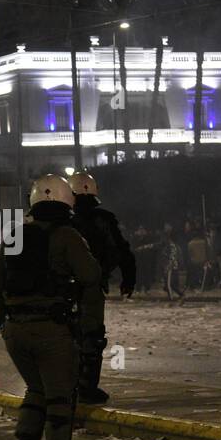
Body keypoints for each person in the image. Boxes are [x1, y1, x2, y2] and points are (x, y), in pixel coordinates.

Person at [0, 173, 101, 440]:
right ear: (66, 200)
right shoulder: (67, 235)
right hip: (51, 329)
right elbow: (91, 274)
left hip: (14, 332)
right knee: (60, 399)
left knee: (36, 391)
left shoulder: (15, 235)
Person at [68, 170, 136, 403]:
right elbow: (123, 251)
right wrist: (129, 279)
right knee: (92, 337)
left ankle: (71, 385)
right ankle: (86, 387)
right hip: (92, 288)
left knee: (70, 336)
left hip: (65, 288)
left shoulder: (64, 219)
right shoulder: (104, 219)